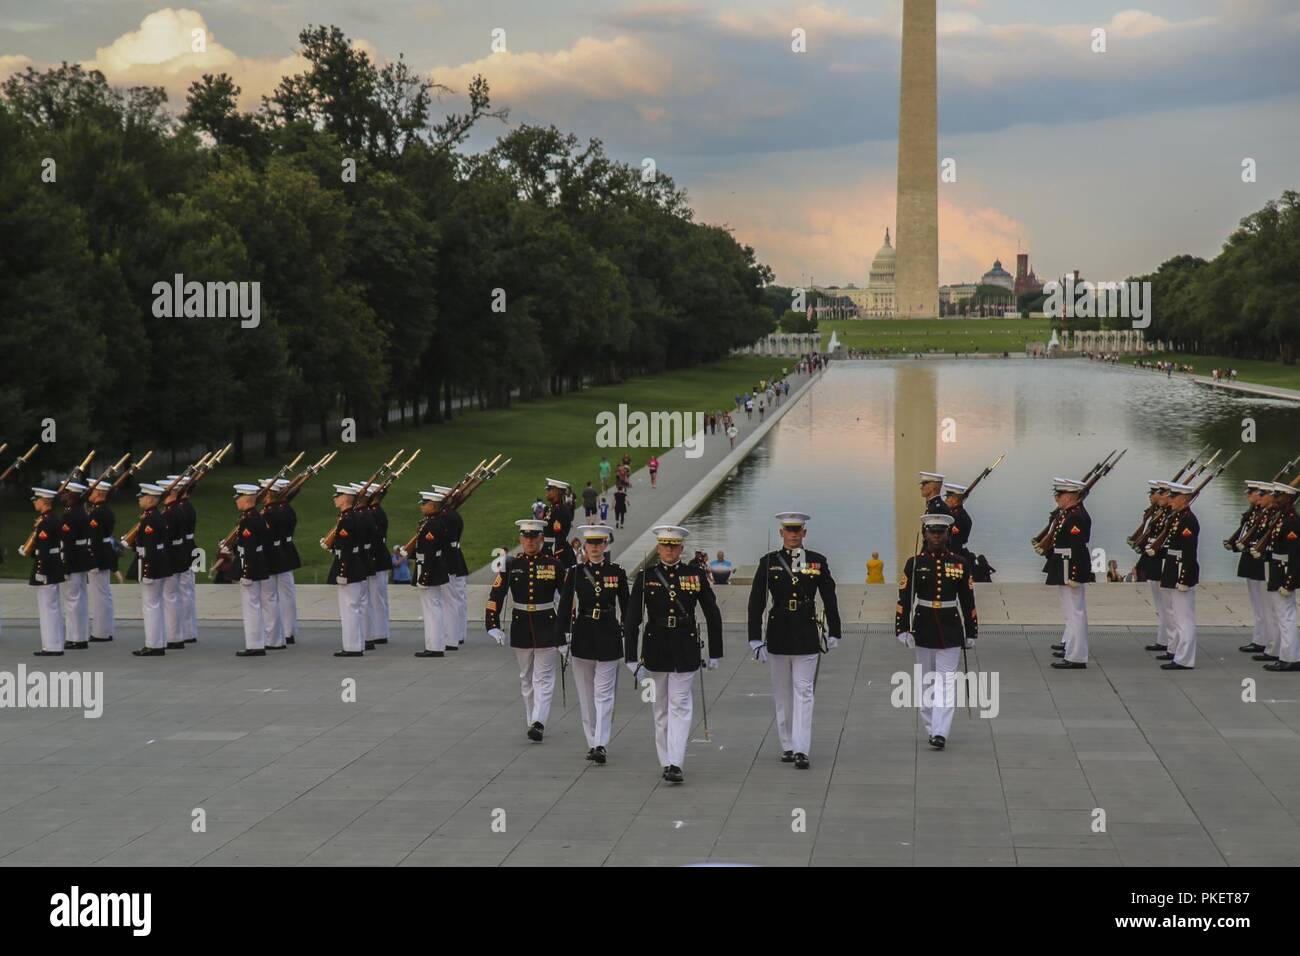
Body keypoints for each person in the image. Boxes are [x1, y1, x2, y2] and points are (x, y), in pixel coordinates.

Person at [623, 525, 723, 784]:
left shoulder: (694, 575)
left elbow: (712, 613)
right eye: (665, 546)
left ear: (681, 548)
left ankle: (676, 762)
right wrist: (631, 657)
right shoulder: (647, 577)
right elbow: (632, 619)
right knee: (660, 709)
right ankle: (665, 759)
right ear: (658, 548)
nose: (669, 550)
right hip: (656, 646)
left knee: (679, 704)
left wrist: (716, 651)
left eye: (673, 546)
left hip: (684, 645)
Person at [747, 512, 841, 769]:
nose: (792, 535)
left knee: (804, 692)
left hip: (806, 633)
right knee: (783, 694)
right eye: (788, 530)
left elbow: (829, 597)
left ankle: (802, 748)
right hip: (778, 632)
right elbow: (756, 602)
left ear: (804, 533)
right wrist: (754, 637)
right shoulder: (768, 562)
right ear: (781, 533)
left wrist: (835, 630)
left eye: (797, 530)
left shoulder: (817, 562)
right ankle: (787, 743)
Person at [895, 512, 978, 749]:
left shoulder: (960, 563)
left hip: (950, 626)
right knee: (926, 682)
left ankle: (941, 731)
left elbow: (968, 600)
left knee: (946, 682)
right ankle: (931, 726)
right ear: (925, 534)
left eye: (940, 532)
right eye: (932, 531)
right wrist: (902, 628)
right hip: (923, 625)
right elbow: (904, 599)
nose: (936, 536)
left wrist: (971, 631)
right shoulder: (915, 563)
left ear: (947, 535)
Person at [486, 519, 566, 742]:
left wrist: (567, 629)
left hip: (547, 624)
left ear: (541, 539)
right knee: (526, 678)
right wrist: (492, 624)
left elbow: (568, 599)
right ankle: (532, 718)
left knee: (543, 677)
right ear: (521, 540)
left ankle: (539, 721)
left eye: (534, 538)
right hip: (521, 624)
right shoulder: (511, 565)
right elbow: (496, 596)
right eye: (526, 538)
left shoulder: (554, 565)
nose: (530, 542)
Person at [557, 525, 629, 764]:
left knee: (604, 693)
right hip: (584, 632)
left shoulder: (616, 572)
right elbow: (566, 605)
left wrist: (630, 637)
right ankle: (591, 740)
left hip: (608, 633)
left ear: (606, 545)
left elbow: (627, 608)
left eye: (600, 543)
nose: (595, 547)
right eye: (591, 544)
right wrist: (562, 637)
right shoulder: (575, 572)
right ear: (585, 547)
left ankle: (601, 743)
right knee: (586, 694)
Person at [1042, 477, 1094, 669]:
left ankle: (1077, 656)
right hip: (1062, 565)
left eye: (1060, 494)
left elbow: (1077, 548)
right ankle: (1072, 649)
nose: (1057, 498)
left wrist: (1074, 575)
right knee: (1070, 613)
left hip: (1069, 567)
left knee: (1075, 613)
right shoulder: (1069, 513)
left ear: (1071, 496)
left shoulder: (1075, 517)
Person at [225, 483, 274, 657]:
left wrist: (245, 572)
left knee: (251, 606)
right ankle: (257, 642)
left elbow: (249, 548)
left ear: (246, 500)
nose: (236, 502)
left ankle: (254, 644)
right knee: (255, 604)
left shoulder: (248, 519)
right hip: (258, 563)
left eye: (238, 498)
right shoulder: (257, 517)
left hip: (251, 566)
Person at [1156, 481, 1200, 670]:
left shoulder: (1188, 520)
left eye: (1173, 497)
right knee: (1177, 616)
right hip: (1173, 567)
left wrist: (1184, 578)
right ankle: (1177, 652)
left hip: (1182, 569)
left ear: (1183, 499)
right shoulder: (1177, 517)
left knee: (1184, 618)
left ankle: (1184, 659)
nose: (1170, 500)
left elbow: (1189, 551)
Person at [324, 483, 370, 657]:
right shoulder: (356, 516)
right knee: (355, 607)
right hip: (358, 564)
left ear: (345, 499)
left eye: (337, 495)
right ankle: (356, 644)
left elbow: (345, 547)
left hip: (349, 567)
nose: (335, 498)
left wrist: (342, 571)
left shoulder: (346, 518)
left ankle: (352, 646)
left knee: (349, 608)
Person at [1230, 481, 1273, 657]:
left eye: (1252, 493)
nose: (1248, 496)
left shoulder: (1270, 514)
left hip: (1262, 560)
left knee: (1265, 604)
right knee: (1257, 604)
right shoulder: (1254, 512)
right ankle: (1259, 639)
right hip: (1250, 558)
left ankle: (1269, 641)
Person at [128, 483, 171, 657]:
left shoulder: (150, 519)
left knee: (151, 605)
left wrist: (146, 571)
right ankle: (158, 642)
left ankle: (153, 644)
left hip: (151, 564)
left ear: (150, 499)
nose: (139, 499)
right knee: (156, 604)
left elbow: (150, 546)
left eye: (142, 496)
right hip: (157, 562)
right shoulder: (154, 516)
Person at [1261, 484, 1300, 672]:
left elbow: (1295, 555)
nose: (1275, 499)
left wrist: (1290, 581)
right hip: (1277, 570)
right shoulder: (1282, 517)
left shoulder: (1292, 521)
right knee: (1282, 615)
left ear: (1290, 499)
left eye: (1280, 496)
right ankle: (1286, 655)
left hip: (1285, 573)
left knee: (1286, 617)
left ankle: (1291, 657)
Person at [25, 487, 66, 656]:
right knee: (52, 606)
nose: (35, 503)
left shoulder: (46, 522)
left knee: (48, 608)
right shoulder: (52, 519)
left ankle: (51, 646)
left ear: (44, 502)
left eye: (37, 500)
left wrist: (40, 570)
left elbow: (44, 549)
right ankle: (55, 644)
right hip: (54, 566)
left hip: (47, 568)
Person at [430, 483, 470, 649]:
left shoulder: (447, 517)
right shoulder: (451, 515)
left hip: (448, 560)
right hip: (454, 558)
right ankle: (457, 634)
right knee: (456, 599)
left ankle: (451, 637)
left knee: (450, 600)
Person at [1136, 481, 1173, 654]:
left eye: (1157, 493)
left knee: (1167, 605)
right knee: (1160, 605)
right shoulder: (1158, 512)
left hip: (1162, 560)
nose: (1152, 496)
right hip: (1153, 559)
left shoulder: (1170, 515)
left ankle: (1170, 643)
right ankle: (1164, 638)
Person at [411, 490, 450, 657]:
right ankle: (434, 645)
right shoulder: (432, 522)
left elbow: (431, 552)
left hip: (430, 568)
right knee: (432, 608)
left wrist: (425, 576)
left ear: (433, 505)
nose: (422, 506)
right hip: (429, 566)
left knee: (432, 608)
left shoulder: (433, 524)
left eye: (424, 503)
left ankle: (434, 646)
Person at [57, 482, 93, 650]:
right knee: (80, 599)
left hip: (73, 560)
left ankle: (76, 638)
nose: (62, 495)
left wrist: (64, 564)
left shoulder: (70, 516)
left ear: (72, 496)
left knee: (72, 600)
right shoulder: (82, 513)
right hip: (82, 559)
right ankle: (81, 635)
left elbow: (68, 543)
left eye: (66, 493)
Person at [85, 479, 118, 643]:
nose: (88, 494)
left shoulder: (97, 513)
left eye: (91, 492)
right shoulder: (105, 510)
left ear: (97, 493)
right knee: (104, 593)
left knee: (99, 595)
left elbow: (95, 538)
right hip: (104, 553)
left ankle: (100, 632)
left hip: (98, 555)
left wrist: (92, 559)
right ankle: (106, 629)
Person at [541, 478, 576, 569]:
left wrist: (555, 555)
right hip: (548, 548)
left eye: (549, 490)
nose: (547, 492)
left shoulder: (561, 511)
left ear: (557, 492)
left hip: (558, 551)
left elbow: (559, 536)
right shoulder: (550, 509)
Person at [943, 483, 974, 564]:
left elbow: (956, 539)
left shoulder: (958, 517)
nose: (945, 500)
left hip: (952, 555)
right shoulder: (957, 514)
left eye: (948, 497)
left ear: (955, 500)